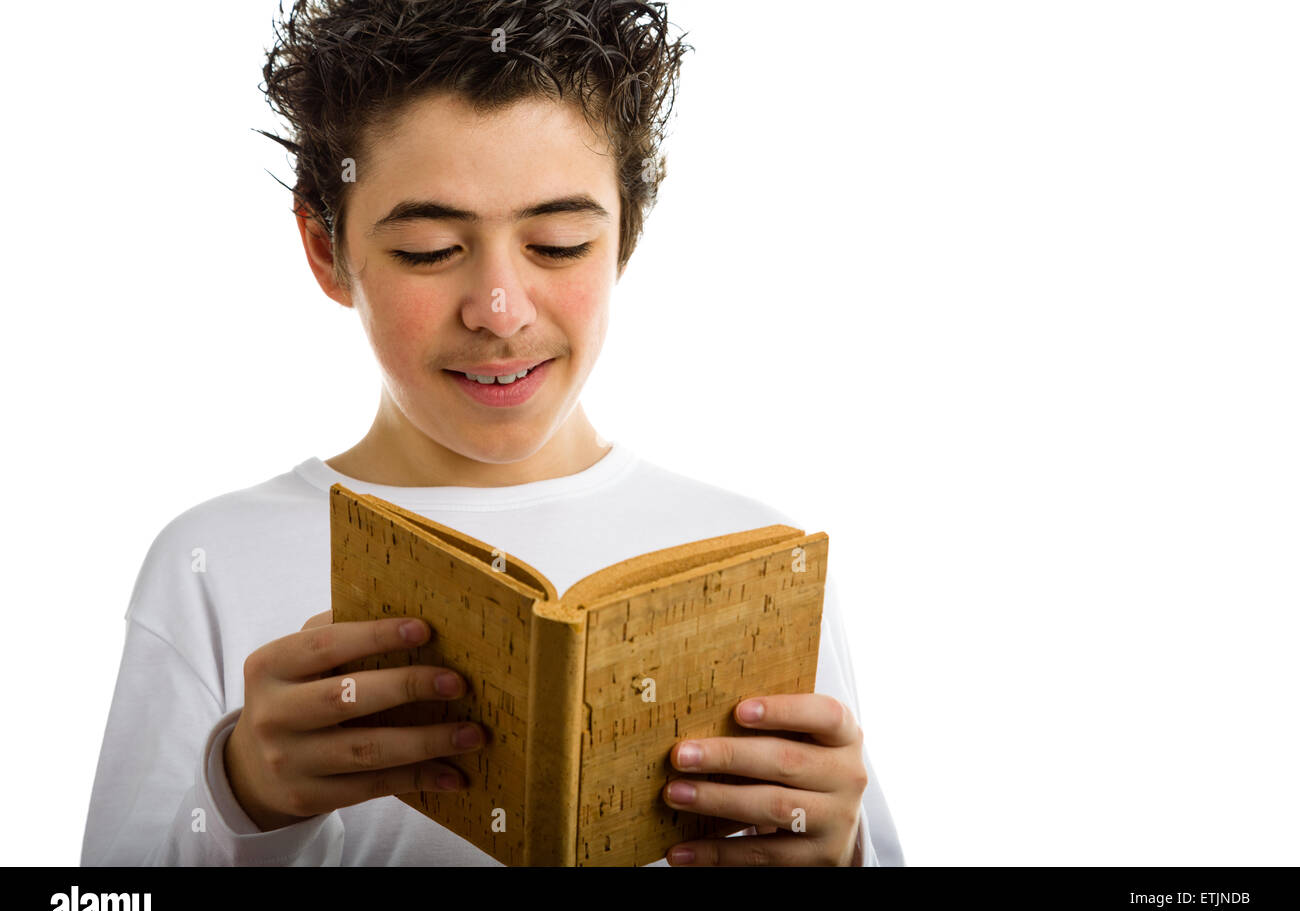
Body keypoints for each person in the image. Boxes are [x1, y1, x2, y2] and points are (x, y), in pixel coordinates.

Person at [80, 0, 903, 867]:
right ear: (327, 249)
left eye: (558, 243)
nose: (501, 312)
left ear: (625, 236)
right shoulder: (211, 559)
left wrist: (839, 859)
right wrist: (241, 796)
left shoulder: (755, 561)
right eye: (431, 249)